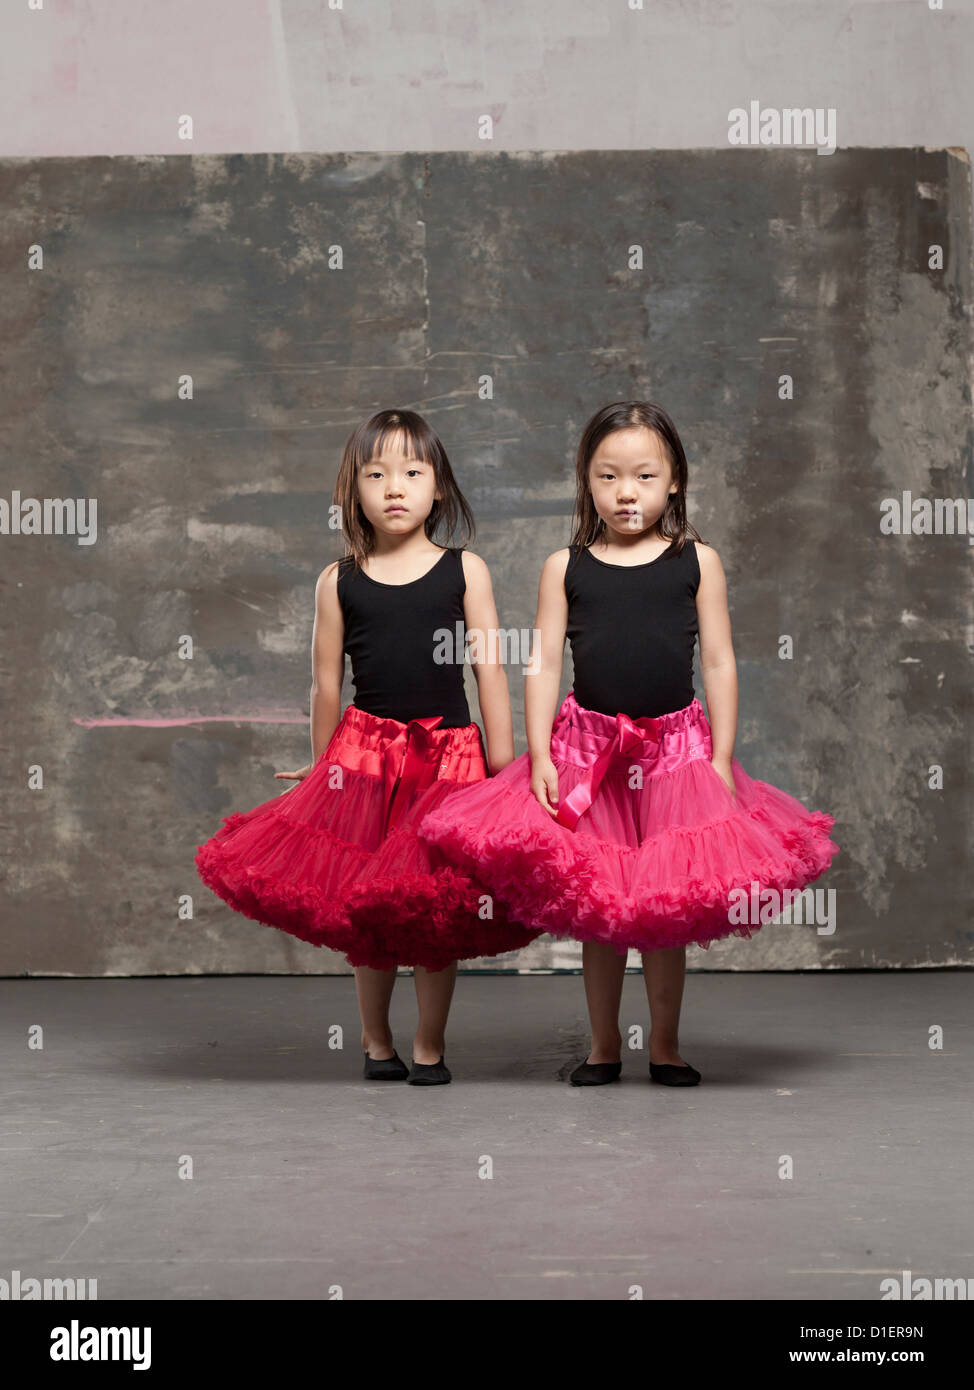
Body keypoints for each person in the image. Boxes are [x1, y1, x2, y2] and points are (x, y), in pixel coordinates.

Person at [419, 400, 840, 1088]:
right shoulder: (567, 566)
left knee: (664, 910)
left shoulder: (696, 561)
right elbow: (544, 663)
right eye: (608, 476)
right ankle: (605, 1043)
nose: (626, 491)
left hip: (675, 756)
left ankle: (666, 1044)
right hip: (591, 755)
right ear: (587, 482)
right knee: (601, 907)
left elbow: (722, 661)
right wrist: (542, 753)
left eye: (644, 476)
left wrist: (722, 755)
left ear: (674, 480)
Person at [195, 409, 539, 1086]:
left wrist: (504, 766)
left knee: (435, 911)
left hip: (451, 763)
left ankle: (431, 1045)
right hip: (365, 760)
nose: (394, 487)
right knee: (368, 909)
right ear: (354, 490)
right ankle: (376, 1040)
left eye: (412, 472)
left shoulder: (465, 571)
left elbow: (489, 670)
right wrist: (322, 767)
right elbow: (326, 683)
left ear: (438, 487)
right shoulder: (338, 581)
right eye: (376, 474)